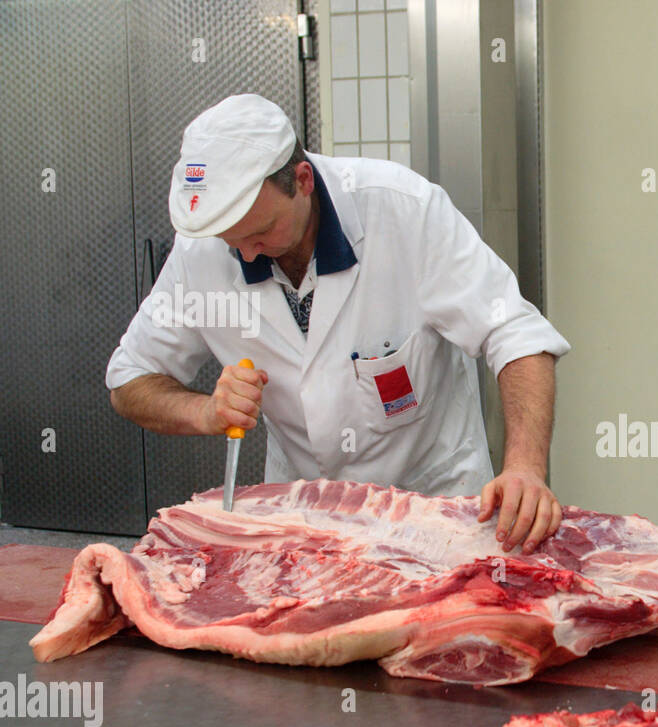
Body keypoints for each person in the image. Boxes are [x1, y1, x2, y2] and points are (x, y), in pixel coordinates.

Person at [107, 94, 570, 555]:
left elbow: (514, 333)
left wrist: (525, 467)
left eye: (259, 233)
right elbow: (129, 380)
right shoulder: (202, 252)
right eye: (231, 241)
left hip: (434, 512)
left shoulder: (402, 209)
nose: (246, 254)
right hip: (305, 522)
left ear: (302, 180)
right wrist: (204, 412)